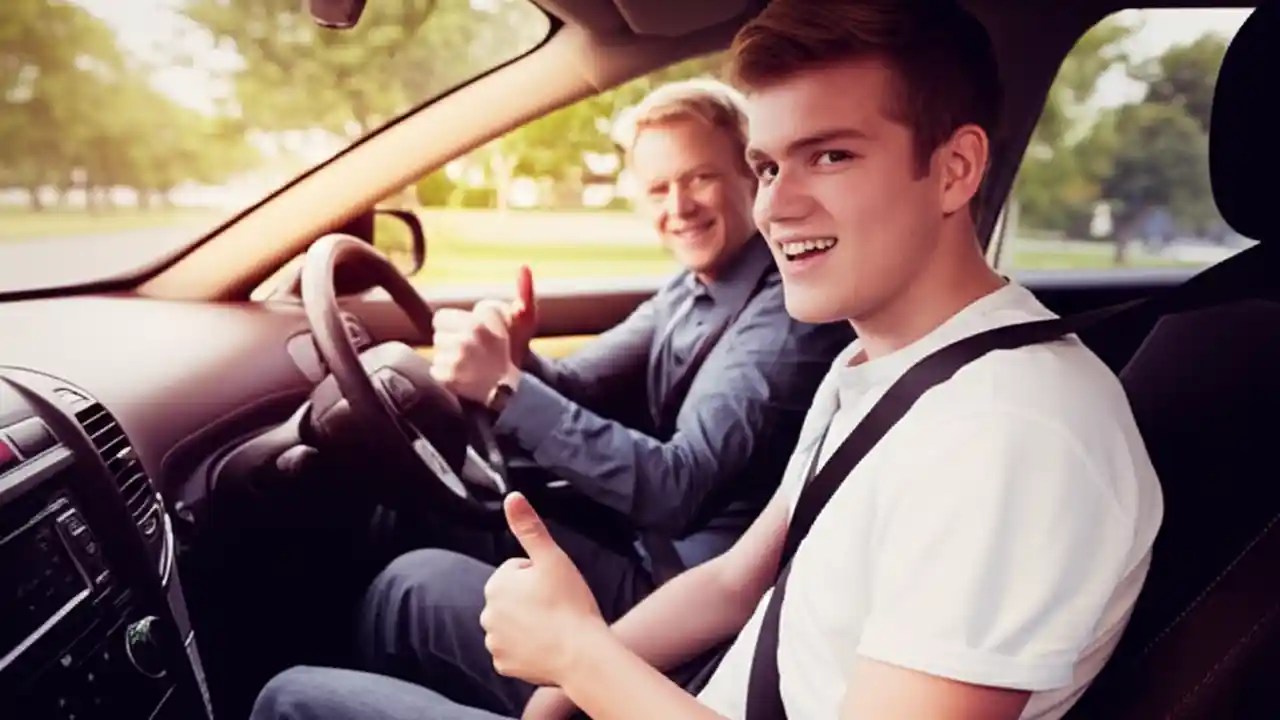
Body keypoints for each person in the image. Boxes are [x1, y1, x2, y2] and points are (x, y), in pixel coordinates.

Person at [250, 1, 1164, 718]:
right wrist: (561, 693)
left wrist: (581, 654)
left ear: (957, 169)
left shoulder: (1009, 437)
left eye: (830, 156)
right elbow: (732, 583)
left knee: (291, 699)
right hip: (706, 689)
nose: (777, 207)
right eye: (768, 166)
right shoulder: (881, 368)